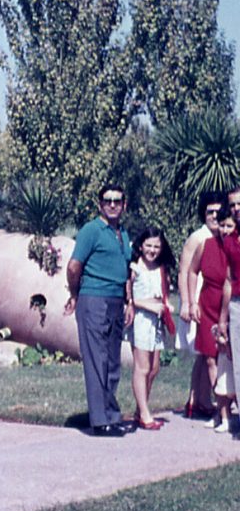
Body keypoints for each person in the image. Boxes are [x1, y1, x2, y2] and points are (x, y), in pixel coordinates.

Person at [65, 183, 134, 437]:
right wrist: (75, 293)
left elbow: (127, 271)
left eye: (117, 200)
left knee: (113, 360)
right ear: (100, 204)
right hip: (94, 298)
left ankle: (111, 414)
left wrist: (130, 302)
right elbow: (74, 267)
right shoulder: (91, 231)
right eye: (108, 200)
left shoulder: (123, 234)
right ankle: (99, 420)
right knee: (97, 359)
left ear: (124, 205)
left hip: (117, 300)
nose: (113, 204)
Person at [188, 206, 240, 431]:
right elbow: (191, 271)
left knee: (229, 358)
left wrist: (224, 316)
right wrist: (191, 302)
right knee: (211, 358)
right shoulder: (205, 245)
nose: (224, 229)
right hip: (208, 304)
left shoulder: (233, 246)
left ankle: (230, 411)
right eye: (220, 224)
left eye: (228, 225)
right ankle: (222, 412)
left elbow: (230, 281)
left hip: (227, 304)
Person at [179, 192, 226, 419]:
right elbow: (185, 271)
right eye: (210, 212)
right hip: (201, 302)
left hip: (223, 302)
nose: (215, 216)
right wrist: (187, 303)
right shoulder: (198, 238)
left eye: (219, 211)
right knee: (206, 354)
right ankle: (207, 403)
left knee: (207, 355)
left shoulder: (229, 236)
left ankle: (197, 400)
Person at [125, 227, 174, 430]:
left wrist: (166, 305)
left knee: (154, 369)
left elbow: (164, 293)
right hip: (141, 321)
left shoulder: (161, 268)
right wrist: (147, 305)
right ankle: (145, 415)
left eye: (156, 246)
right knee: (142, 368)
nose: (152, 250)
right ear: (141, 245)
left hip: (156, 323)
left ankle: (140, 409)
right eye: (148, 245)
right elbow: (127, 298)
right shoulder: (135, 267)